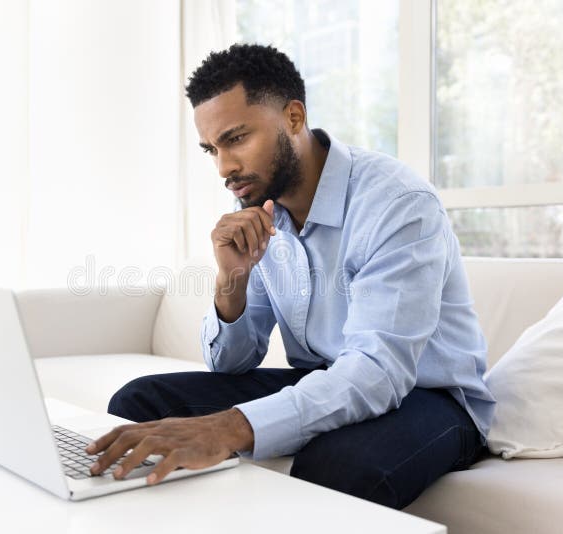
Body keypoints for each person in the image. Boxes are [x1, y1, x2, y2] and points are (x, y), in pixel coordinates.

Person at [85, 43, 496, 510]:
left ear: (294, 118)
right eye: (212, 149)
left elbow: (378, 373)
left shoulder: (397, 204)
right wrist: (232, 281)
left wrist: (228, 426)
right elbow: (232, 366)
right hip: (324, 376)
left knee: (338, 465)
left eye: (237, 138)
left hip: (428, 396)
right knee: (140, 402)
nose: (224, 167)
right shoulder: (261, 211)